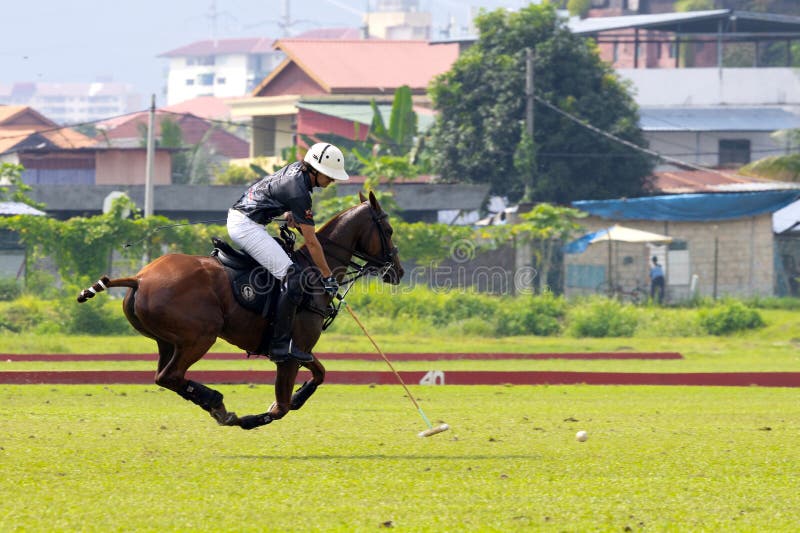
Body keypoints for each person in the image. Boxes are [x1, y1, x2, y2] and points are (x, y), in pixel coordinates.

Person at [227, 142, 349, 359]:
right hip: (247, 226)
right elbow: (311, 242)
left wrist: (289, 213)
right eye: (329, 176)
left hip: (246, 220)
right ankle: (280, 344)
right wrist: (328, 275)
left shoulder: (298, 171)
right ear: (315, 170)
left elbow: (276, 193)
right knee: (293, 278)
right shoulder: (300, 192)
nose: (332, 181)